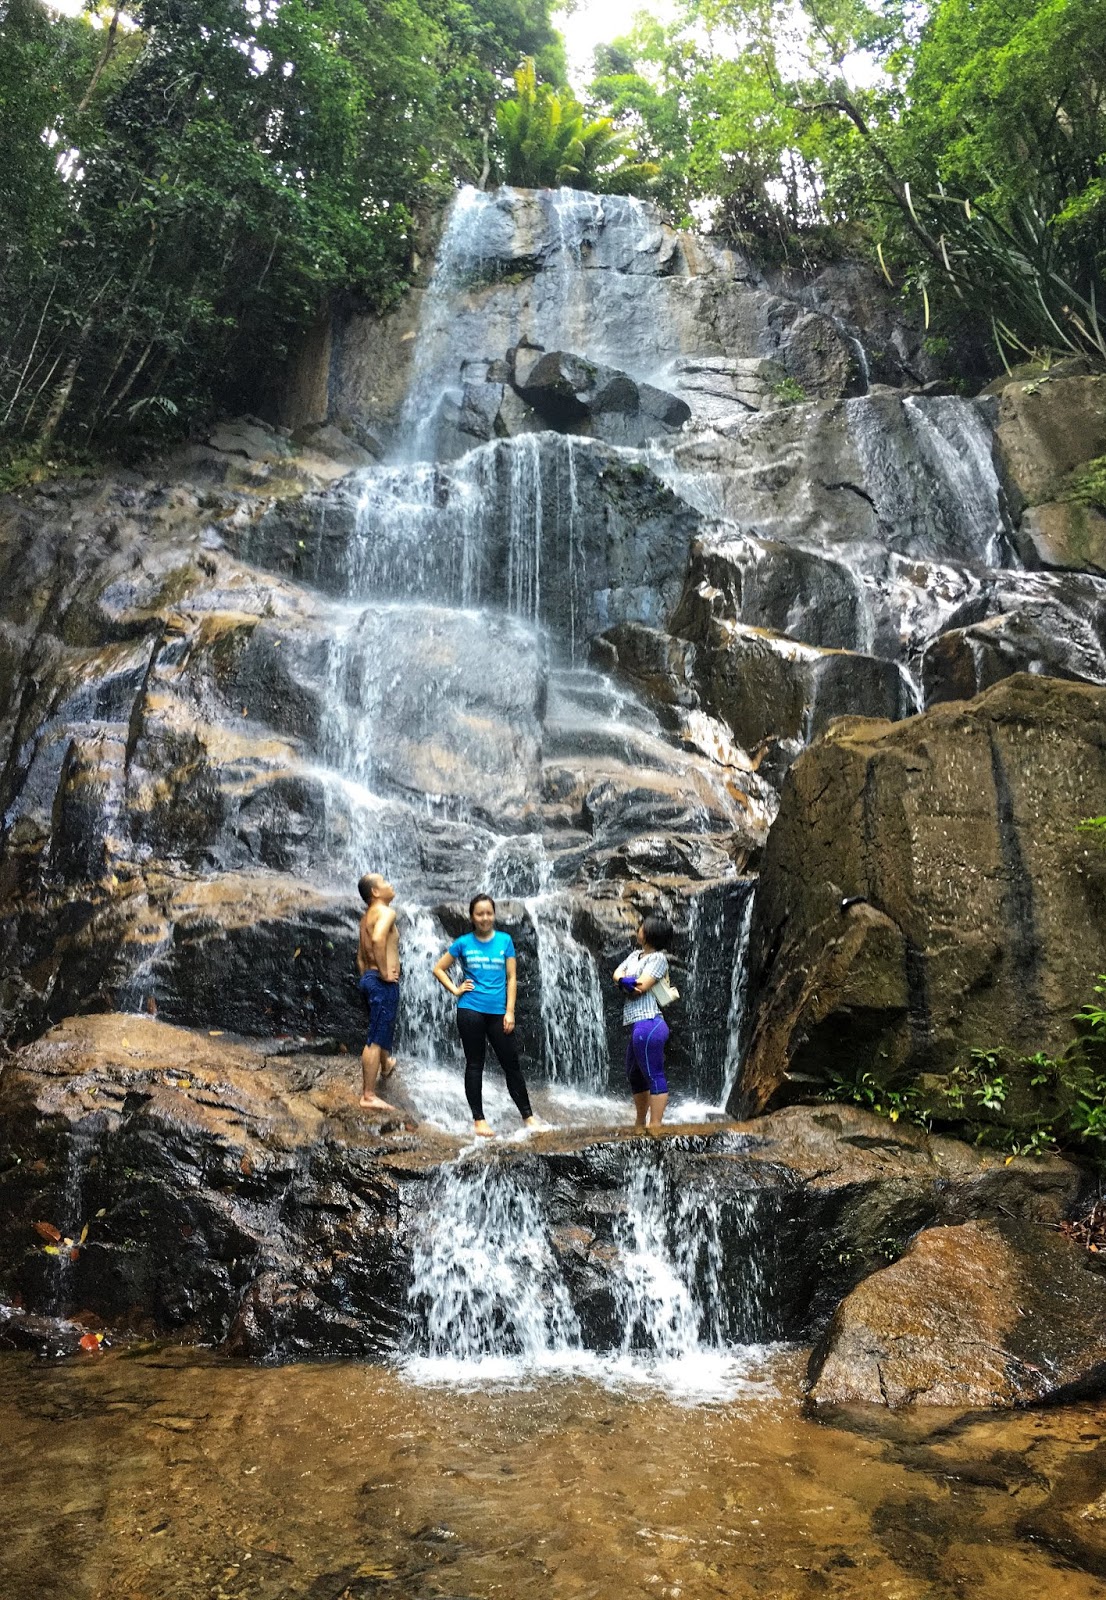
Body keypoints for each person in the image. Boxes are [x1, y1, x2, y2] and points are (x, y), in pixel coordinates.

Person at [432, 893, 542, 1138]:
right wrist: (455, 989)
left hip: (498, 1013)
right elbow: (438, 968)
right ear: (472, 916)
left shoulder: (505, 941)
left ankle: (528, 1116)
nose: (485, 918)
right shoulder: (463, 943)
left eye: (489, 913)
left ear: (494, 915)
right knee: (474, 1064)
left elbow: (512, 977)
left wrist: (510, 1011)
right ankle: (479, 1120)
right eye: (479, 914)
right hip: (470, 1009)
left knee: (511, 1065)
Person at [613, 913, 674, 1129]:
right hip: (637, 1025)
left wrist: (628, 983)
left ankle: (655, 1125)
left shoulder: (657, 959)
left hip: (650, 1023)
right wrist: (623, 980)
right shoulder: (634, 955)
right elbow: (617, 973)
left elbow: (641, 987)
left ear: (649, 933)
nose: (638, 929)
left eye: (642, 926)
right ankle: (640, 1122)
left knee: (653, 1072)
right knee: (634, 1074)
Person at [356, 872, 400, 1112]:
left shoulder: (365, 918)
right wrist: (383, 973)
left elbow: (360, 956)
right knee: (375, 1036)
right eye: (384, 882)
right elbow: (379, 938)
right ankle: (368, 1095)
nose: (390, 884)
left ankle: (386, 1064)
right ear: (375, 892)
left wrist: (369, 976)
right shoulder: (386, 912)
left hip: (368, 978)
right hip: (381, 981)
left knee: (380, 1026)